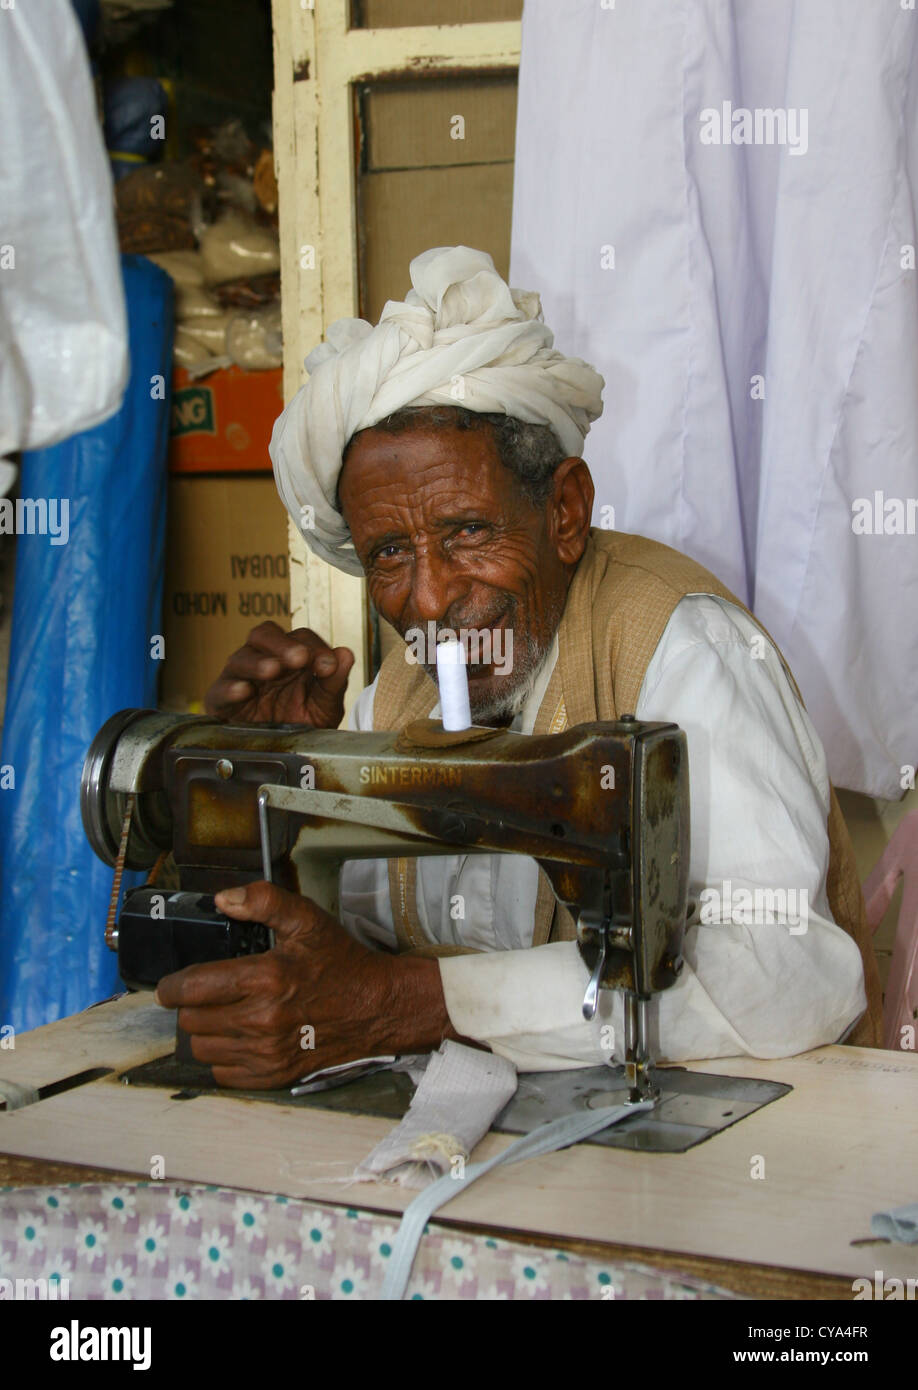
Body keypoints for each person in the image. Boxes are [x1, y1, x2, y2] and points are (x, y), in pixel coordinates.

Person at [155, 247, 881, 1090]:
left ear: (565, 512)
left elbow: (786, 978)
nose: (427, 600)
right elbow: (335, 953)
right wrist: (264, 799)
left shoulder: (681, 646)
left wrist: (412, 1003)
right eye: (390, 552)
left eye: (466, 531)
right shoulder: (400, 692)